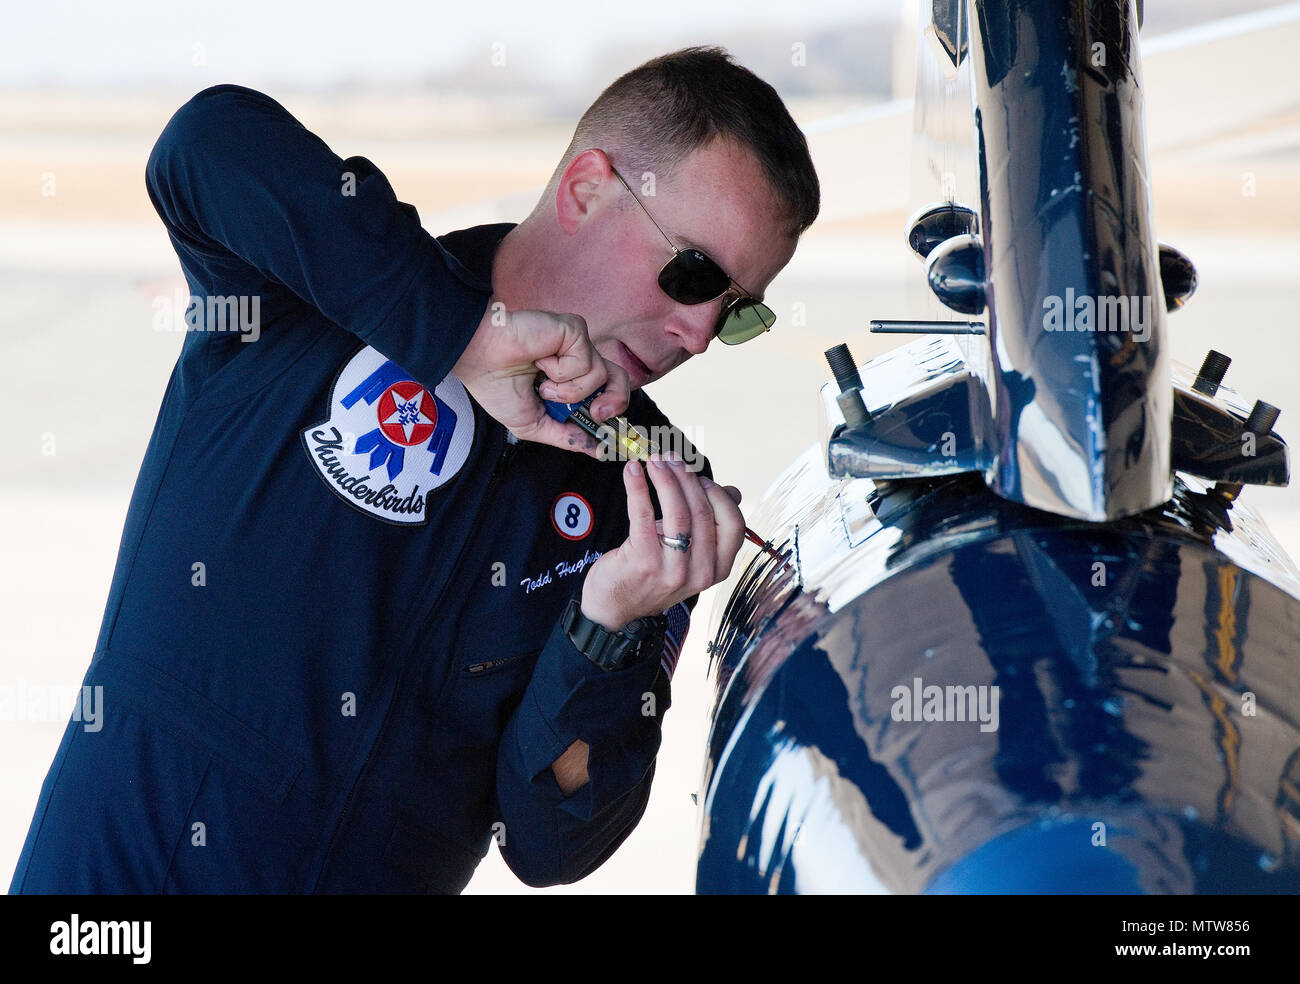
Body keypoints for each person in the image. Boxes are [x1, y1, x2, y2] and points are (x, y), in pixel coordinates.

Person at [9, 45, 819, 893]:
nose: (695, 332)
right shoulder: (318, 296)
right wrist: (459, 334)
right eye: (693, 274)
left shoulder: (648, 501)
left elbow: (551, 846)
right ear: (586, 191)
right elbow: (202, 143)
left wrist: (607, 627)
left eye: (735, 311)